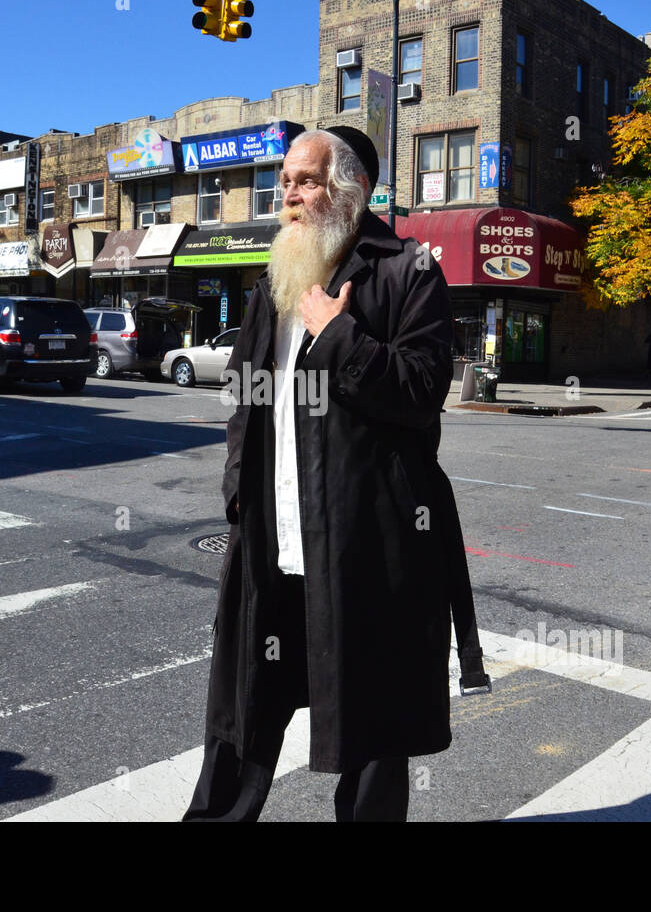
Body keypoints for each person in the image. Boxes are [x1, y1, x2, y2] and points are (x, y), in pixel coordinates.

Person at [183, 127, 487, 823]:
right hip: (273, 549)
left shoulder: (408, 272)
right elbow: (245, 396)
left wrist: (338, 335)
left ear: (349, 190)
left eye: (306, 180)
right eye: (286, 180)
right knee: (241, 719)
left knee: (372, 739)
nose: (287, 193)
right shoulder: (277, 277)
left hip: (363, 555)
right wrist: (238, 494)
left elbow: (419, 392)